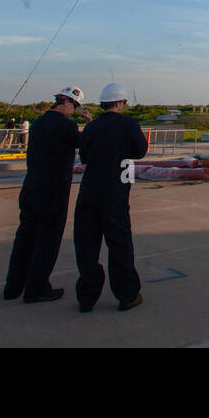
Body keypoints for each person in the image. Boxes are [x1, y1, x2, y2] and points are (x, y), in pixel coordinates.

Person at [4, 87, 84, 304]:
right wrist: (91, 121)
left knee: (25, 237)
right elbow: (85, 145)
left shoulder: (38, 123)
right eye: (75, 108)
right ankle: (37, 288)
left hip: (30, 187)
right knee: (47, 240)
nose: (74, 112)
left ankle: (13, 286)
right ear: (68, 103)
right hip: (53, 191)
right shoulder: (66, 126)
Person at [74, 83, 148, 313]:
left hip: (88, 192)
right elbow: (140, 151)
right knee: (119, 244)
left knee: (87, 246)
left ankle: (86, 298)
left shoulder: (92, 127)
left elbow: (84, 156)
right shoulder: (128, 124)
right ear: (120, 102)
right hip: (115, 192)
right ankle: (127, 294)